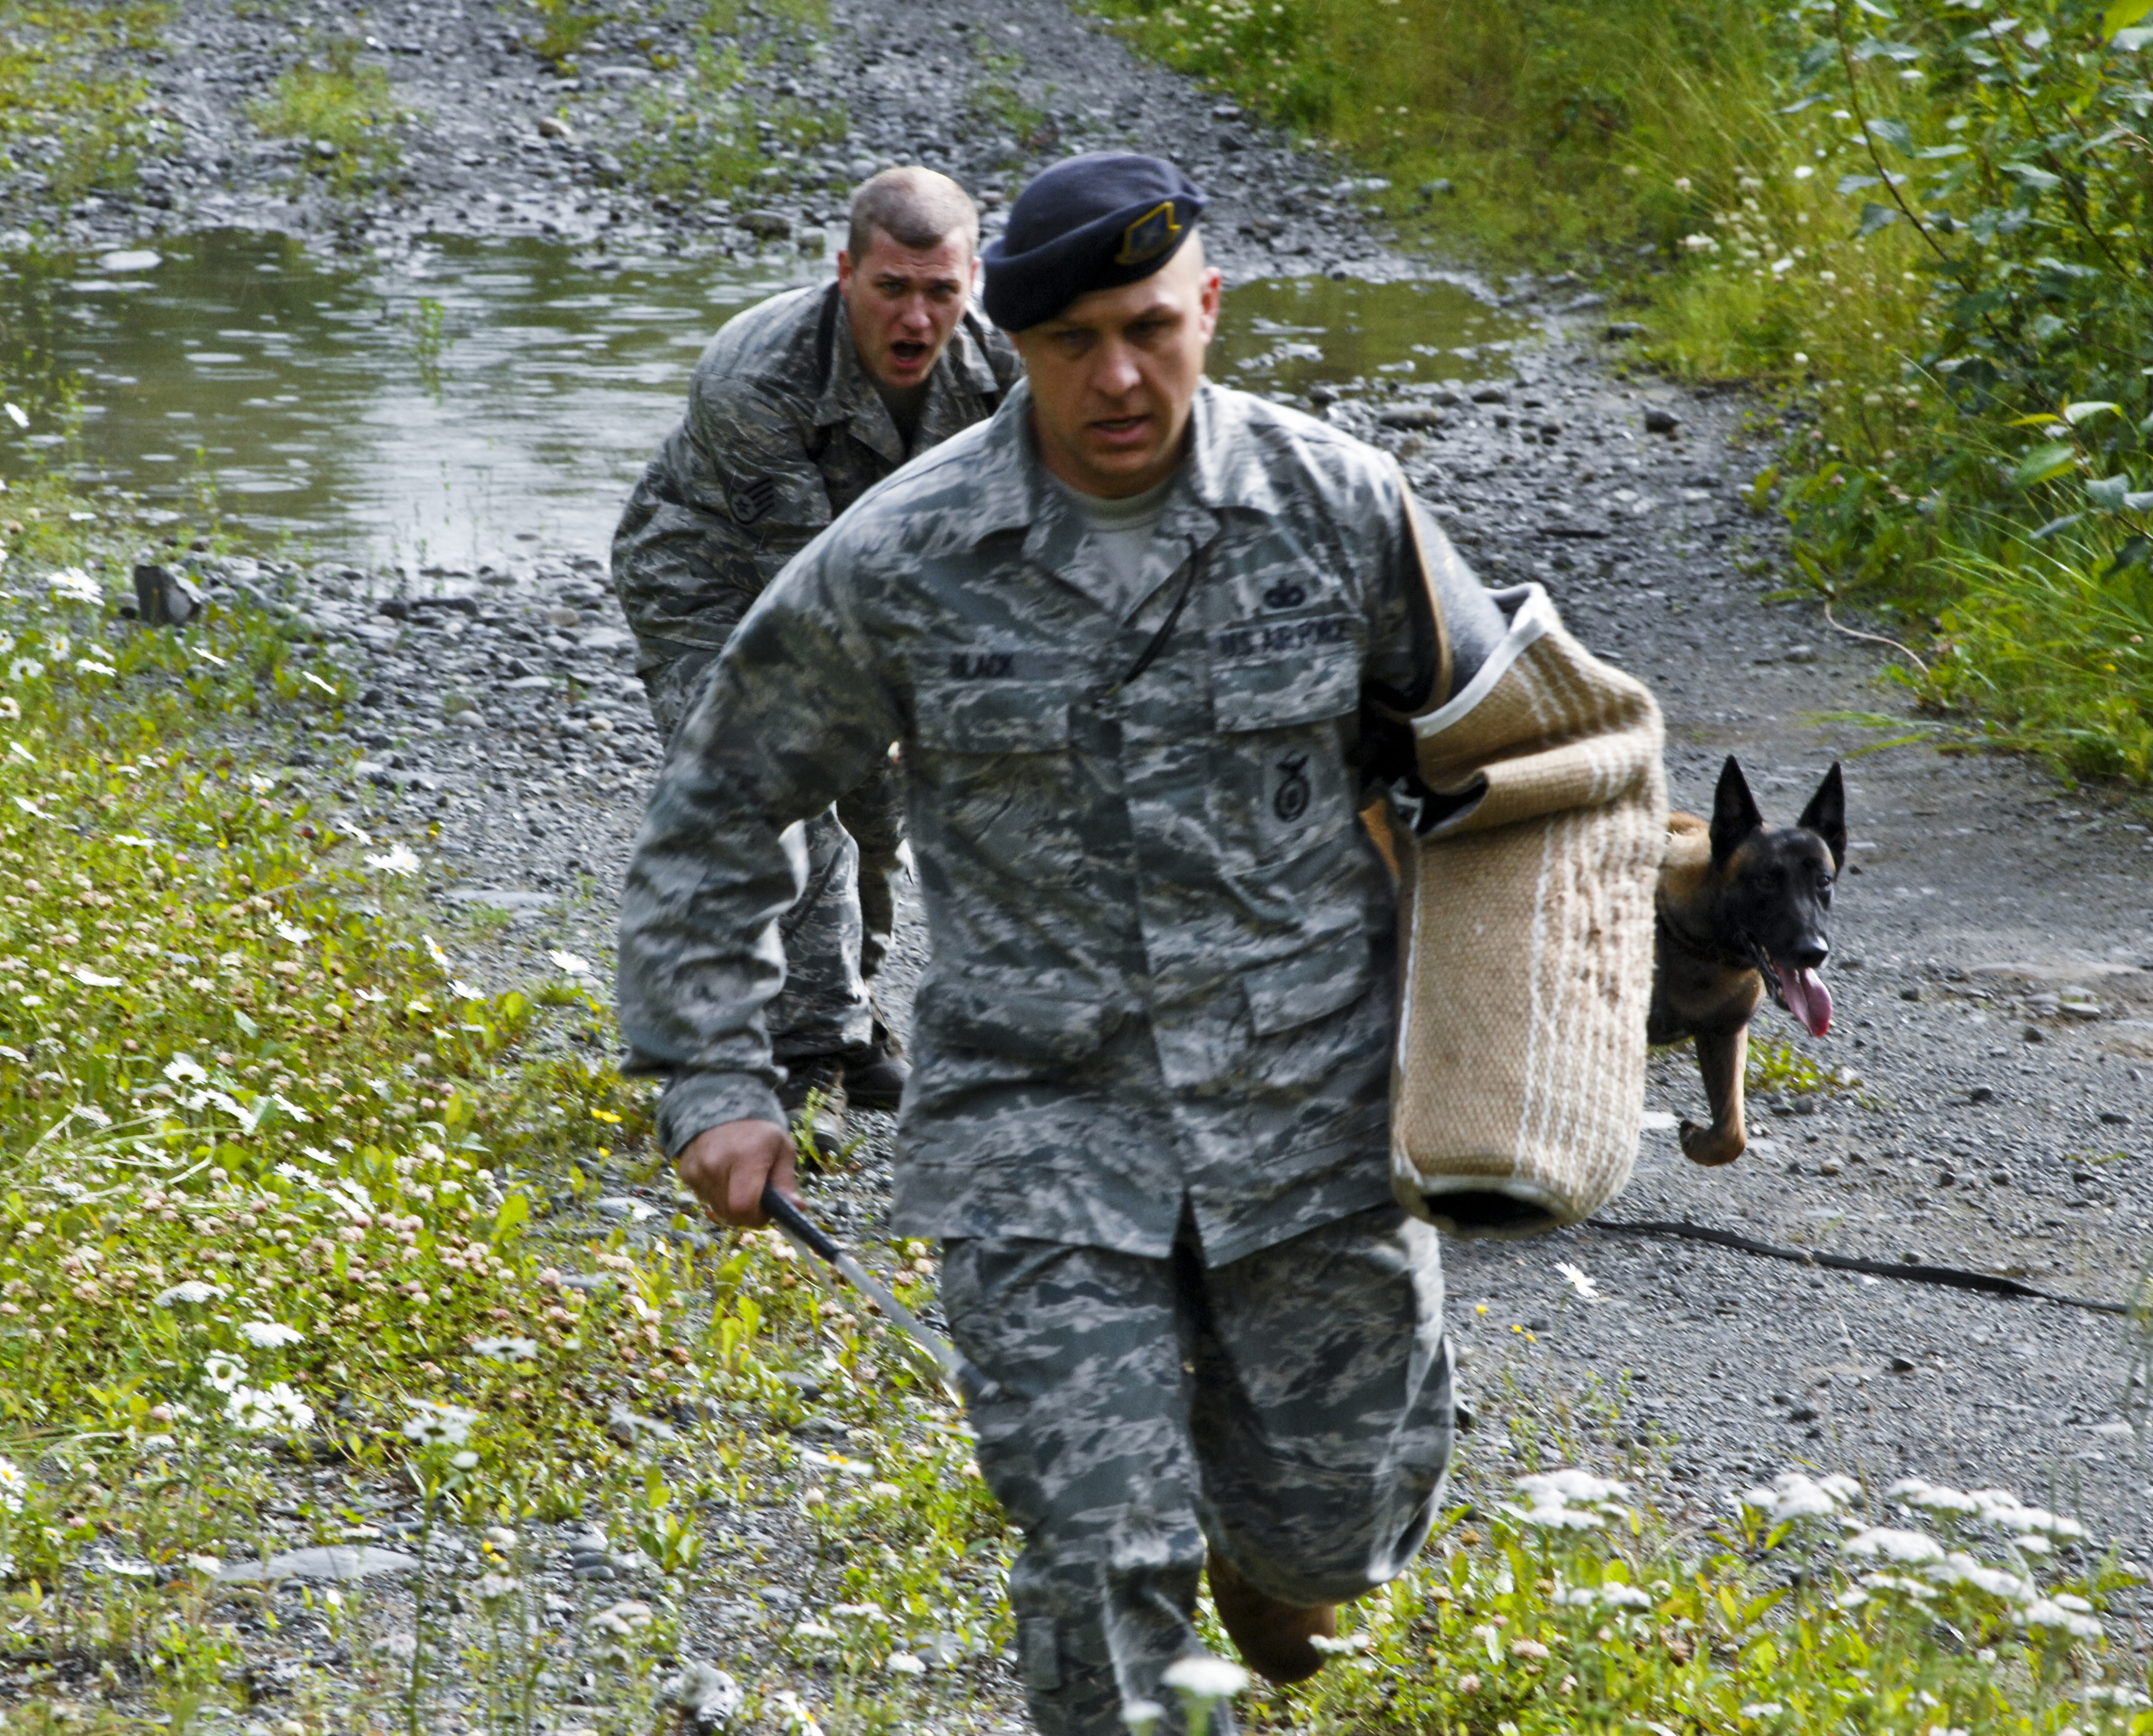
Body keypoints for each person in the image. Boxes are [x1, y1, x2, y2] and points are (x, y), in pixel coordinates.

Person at [619, 154, 1512, 1734]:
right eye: (1072, 341)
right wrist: (715, 1073)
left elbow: (1521, 761)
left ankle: (1278, 1562)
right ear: (1012, 350)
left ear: (1208, 309)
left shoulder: (1340, 507)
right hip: (1037, 1135)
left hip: (1310, 1129)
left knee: (1321, 1547)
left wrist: (1525, 1056)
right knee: (1099, 1552)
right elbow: (721, 799)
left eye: (1151, 329)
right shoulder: (902, 558)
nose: (1117, 375)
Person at [612, 165, 1020, 1149]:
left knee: (885, 817)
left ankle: (851, 1013)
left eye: (941, 291)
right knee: (781, 787)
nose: (917, 318)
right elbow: (803, 606)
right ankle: (800, 1054)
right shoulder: (756, 373)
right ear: (846, 274)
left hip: (890, 584)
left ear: (973, 281)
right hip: (714, 579)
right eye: (891, 289)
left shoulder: (1014, 366)